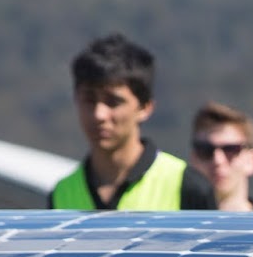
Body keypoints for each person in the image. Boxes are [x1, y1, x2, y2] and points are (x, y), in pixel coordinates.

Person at [48, 34, 216, 211]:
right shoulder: (62, 193)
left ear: (145, 108)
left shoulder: (187, 187)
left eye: (113, 102)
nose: (99, 114)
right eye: (89, 100)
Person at [189, 102, 253, 211]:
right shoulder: (169, 226)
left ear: (252, 161)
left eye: (230, 149)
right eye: (206, 150)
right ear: (193, 159)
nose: (217, 160)